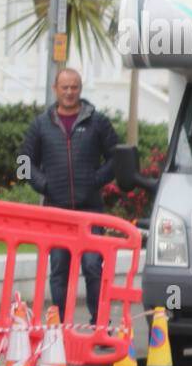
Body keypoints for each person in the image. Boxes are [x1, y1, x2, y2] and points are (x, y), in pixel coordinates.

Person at [19, 66, 120, 328]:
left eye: (74, 87)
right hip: (57, 212)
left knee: (92, 267)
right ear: (55, 89)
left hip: (91, 211)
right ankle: (59, 326)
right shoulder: (41, 124)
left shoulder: (97, 121)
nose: (69, 92)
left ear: (80, 89)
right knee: (59, 271)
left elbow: (117, 156)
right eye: (64, 87)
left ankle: (101, 324)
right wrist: (45, 185)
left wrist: (96, 180)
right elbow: (23, 162)